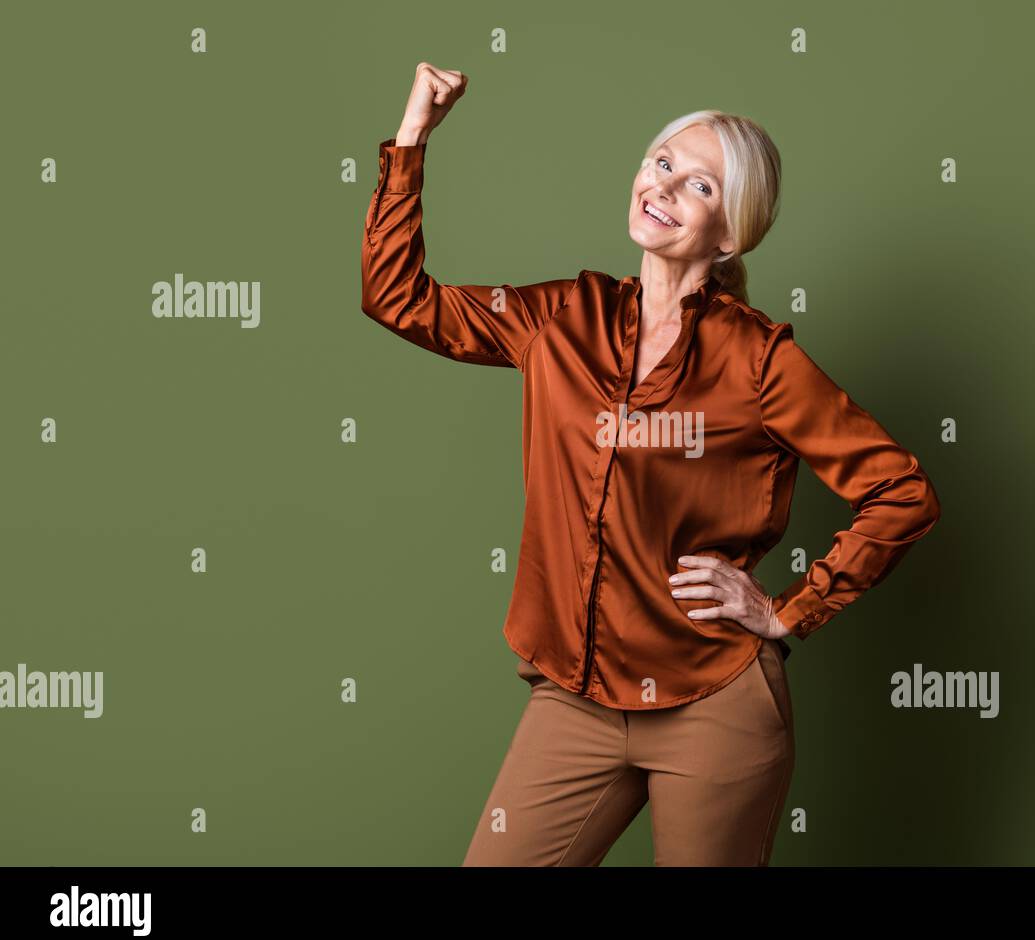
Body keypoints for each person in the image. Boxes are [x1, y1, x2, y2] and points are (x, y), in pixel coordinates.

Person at [361, 63, 942, 866]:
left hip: (715, 703)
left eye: (699, 185)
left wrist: (787, 611)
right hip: (577, 697)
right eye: (662, 162)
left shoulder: (760, 361)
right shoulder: (558, 318)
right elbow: (397, 297)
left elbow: (899, 490)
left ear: (731, 232)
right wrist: (414, 133)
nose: (664, 185)